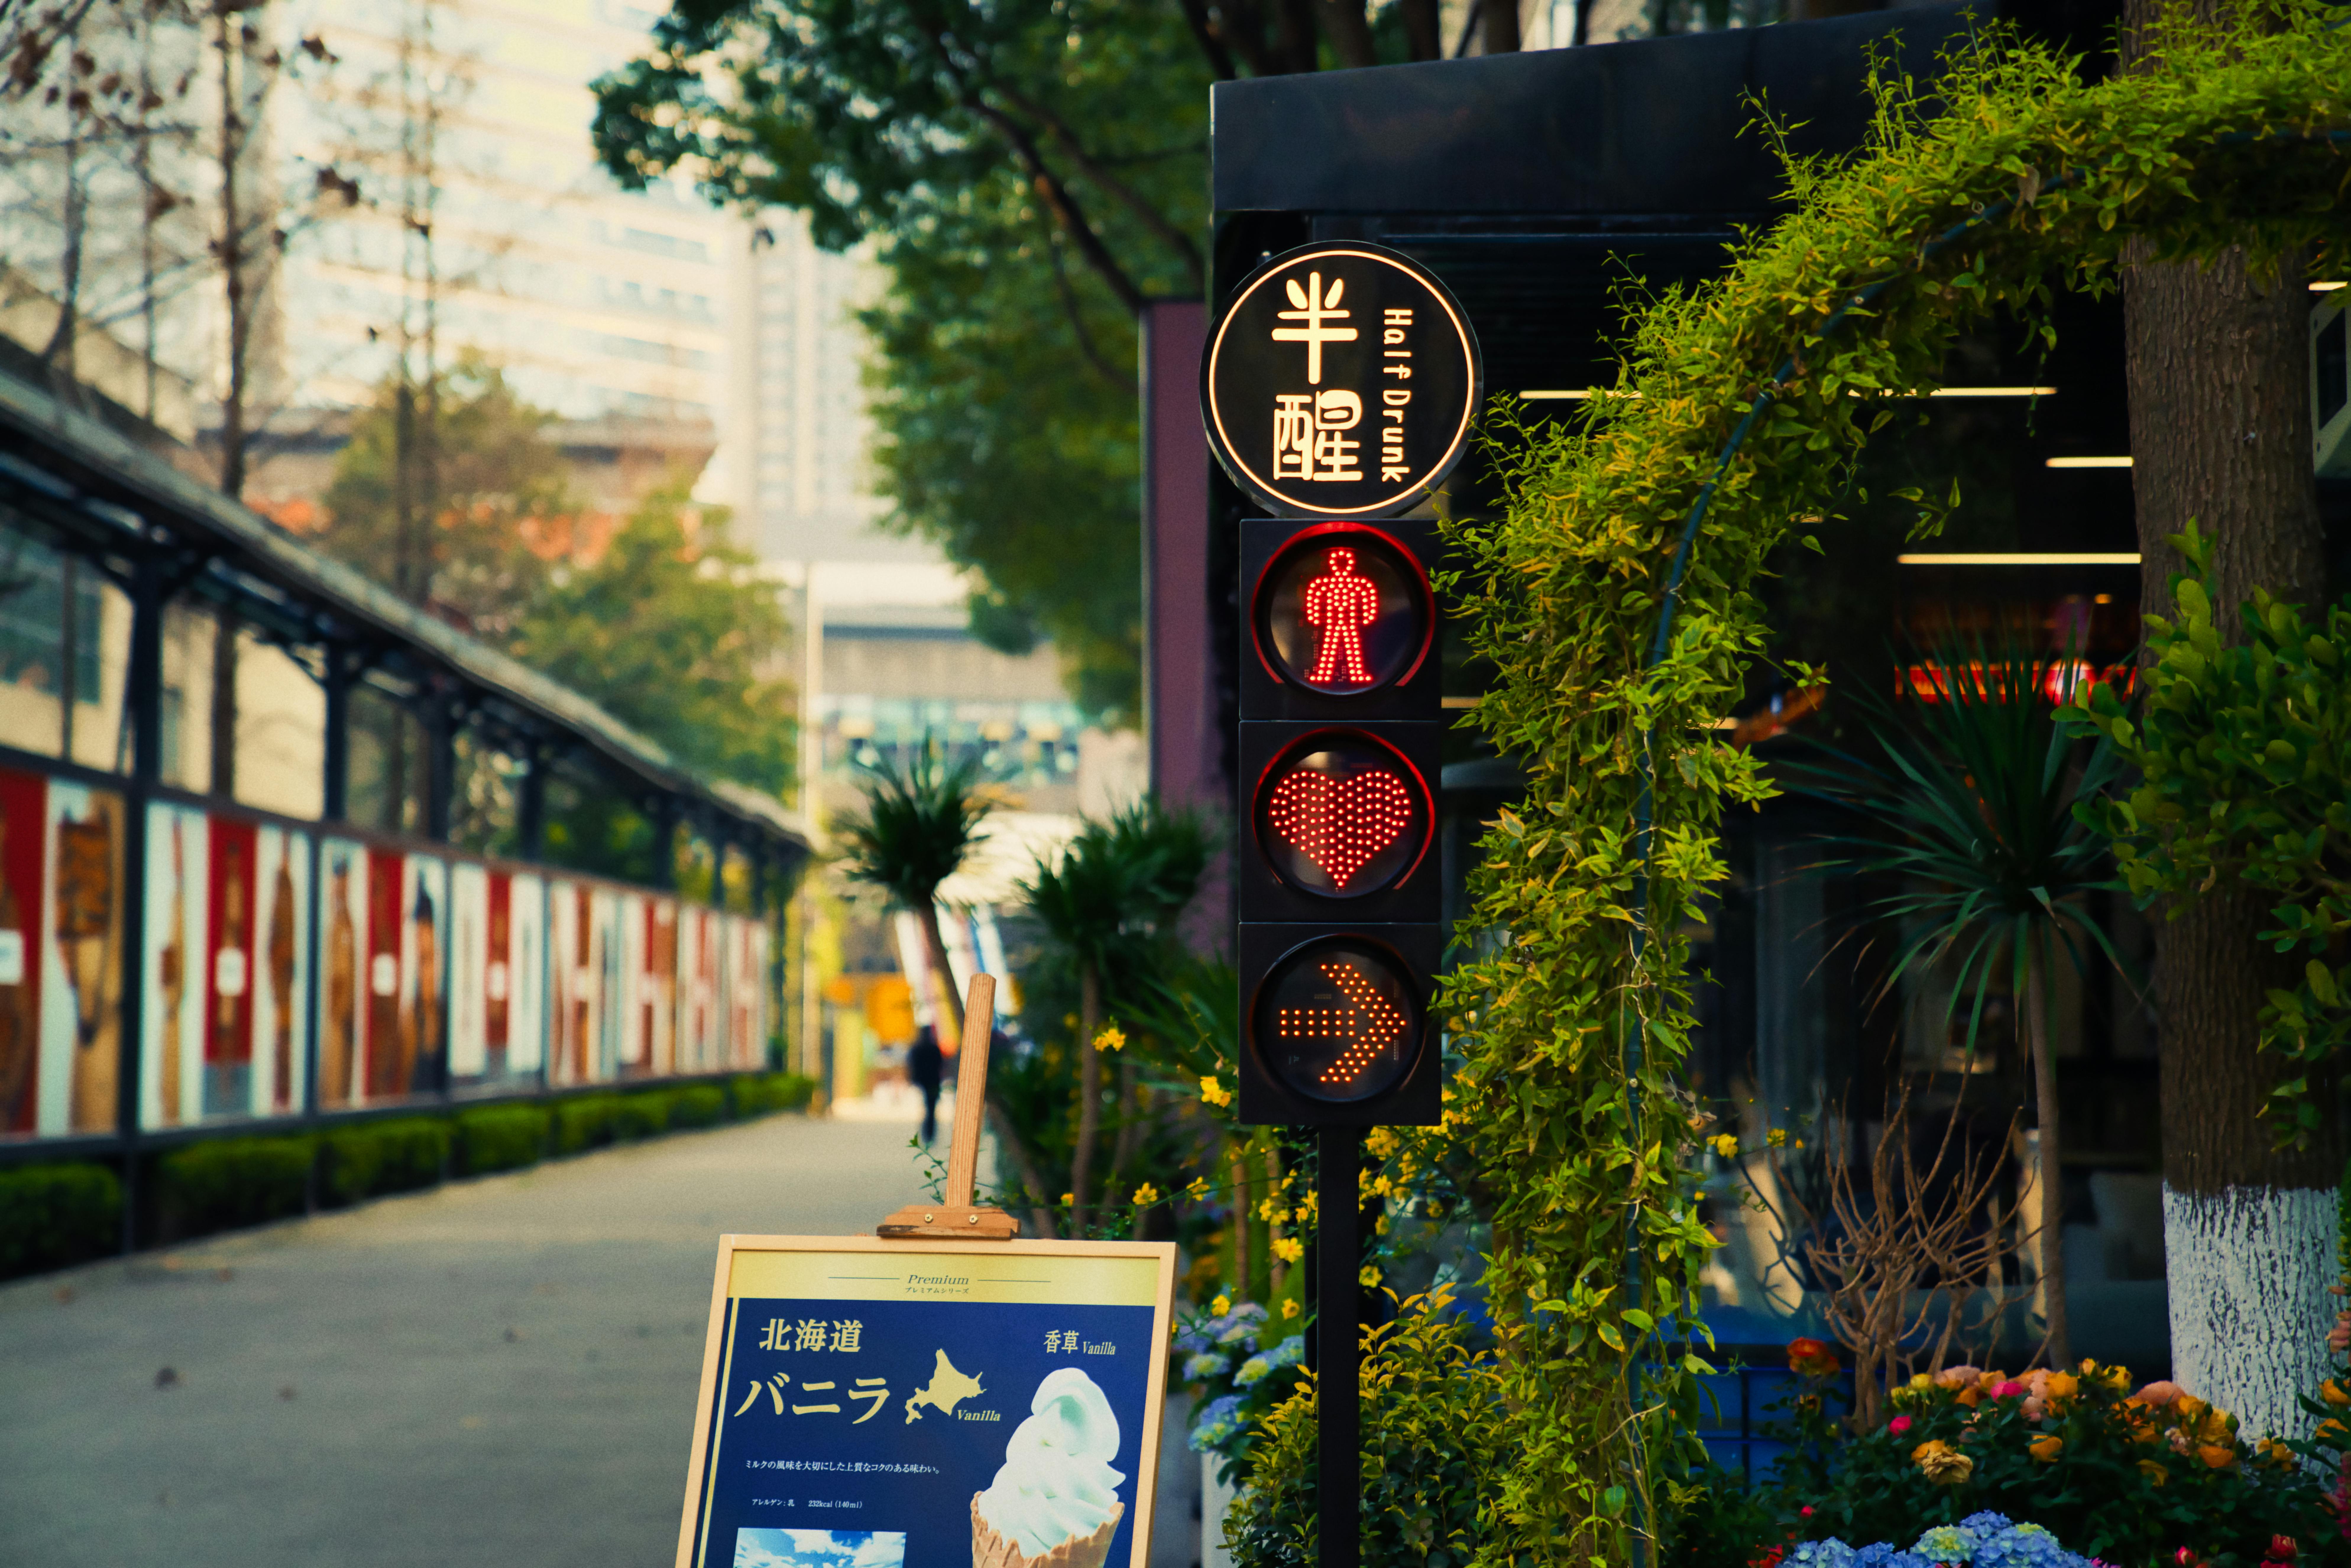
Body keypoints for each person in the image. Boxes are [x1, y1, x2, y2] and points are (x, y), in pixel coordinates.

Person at [908, 1023, 943, 1144]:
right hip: (933, 1082)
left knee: (929, 1110)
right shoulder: (933, 1049)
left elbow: (913, 1065)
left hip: (925, 1081)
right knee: (931, 1110)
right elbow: (941, 1066)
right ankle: (929, 1135)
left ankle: (927, 1135)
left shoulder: (918, 1048)